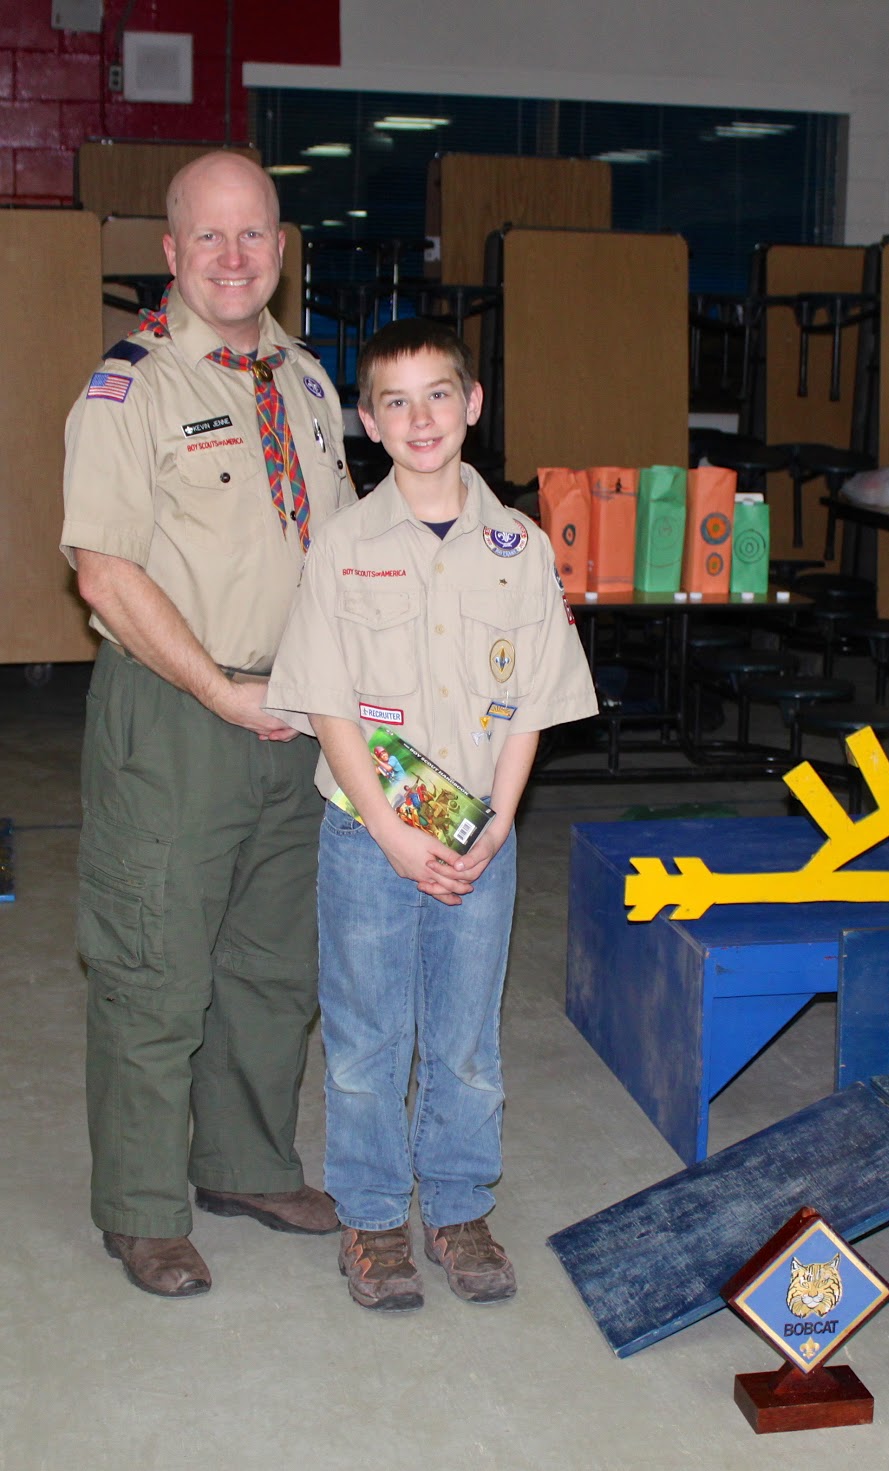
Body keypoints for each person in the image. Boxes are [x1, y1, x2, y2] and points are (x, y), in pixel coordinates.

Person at [62, 152, 354, 1297]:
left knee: (274, 961)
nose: (235, 258)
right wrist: (222, 692)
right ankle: (141, 1206)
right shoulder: (129, 390)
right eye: (209, 237)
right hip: (179, 711)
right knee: (155, 959)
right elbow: (104, 572)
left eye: (254, 235)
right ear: (172, 252)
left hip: (300, 711)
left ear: (281, 247)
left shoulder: (309, 383)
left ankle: (245, 1163)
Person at [264, 318, 597, 1311]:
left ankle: (458, 1209)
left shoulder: (519, 546)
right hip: (368, 836)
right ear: (367, 421)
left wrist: (498, 823)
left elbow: (533, 702)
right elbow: (326, 702)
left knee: (463, 1039)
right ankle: (371, 1221)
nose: (420, 419)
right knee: (367, 1040)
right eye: (396, 402)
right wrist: (389, 829)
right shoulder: (342, 545)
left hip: (478, 839)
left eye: (438, 394)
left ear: (473, 403)